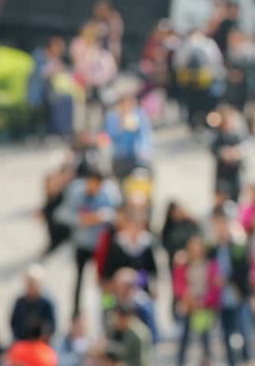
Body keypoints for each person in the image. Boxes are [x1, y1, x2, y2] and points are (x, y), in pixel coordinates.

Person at [57, 167, 121, 317]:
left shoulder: (109, 193)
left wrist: (103, 217)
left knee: (104, 280)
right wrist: (81, 219)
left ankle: (107, 309)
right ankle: (76, 311)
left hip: (101, 246)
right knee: (79, 279)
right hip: (82, 243)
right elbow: (63, 214)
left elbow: (117, 215)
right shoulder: (76, 191)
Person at [208, 210, 254, 366]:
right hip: (221, 297)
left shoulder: (237, 245)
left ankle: (247, 360)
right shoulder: (213, 248)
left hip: (237, 293)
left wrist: (227, 279)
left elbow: (244, 269)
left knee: (243, 329)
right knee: (226, 332)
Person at [172, 235, 221, 366]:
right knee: (185, 335)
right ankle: (181, 361)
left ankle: (206, 361)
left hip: (204, 305)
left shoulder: (210, 265)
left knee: (205, 337)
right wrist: (188, 298)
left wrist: (204, 302)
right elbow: (178, 284)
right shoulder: (183, 263)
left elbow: (215, 286)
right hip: (188, 304)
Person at [104, 94, 153, 182]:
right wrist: (119, 125)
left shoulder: (138, 114)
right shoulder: (112, 117)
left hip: (137, 158)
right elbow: (109, 136)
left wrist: (144, 151)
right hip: (119, 158)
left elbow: (145, 135)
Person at [9, 265, 56, 342]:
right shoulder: (20, 302)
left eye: (32, 283)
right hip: (22, 342)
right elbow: (14, 324)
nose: (30, 286)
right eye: (28, 283)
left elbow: (51, 326)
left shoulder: (47, 303)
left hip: (41, 343)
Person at [211, 106, 246, 201]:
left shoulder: (236, 136)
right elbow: (214, 149)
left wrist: (236, 153)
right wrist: (224, 152)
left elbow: (243, 149)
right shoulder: (217, 136)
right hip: (223, 175)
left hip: (235, 173)